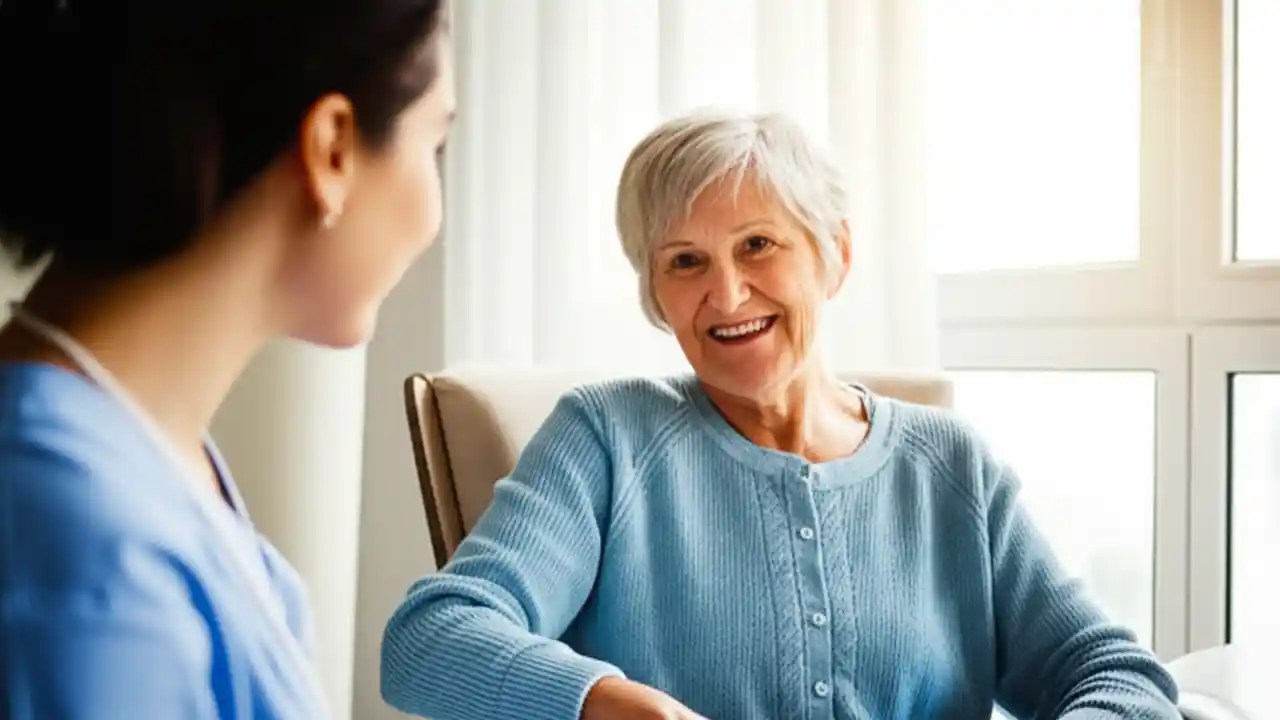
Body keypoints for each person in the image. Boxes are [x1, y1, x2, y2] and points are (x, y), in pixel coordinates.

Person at [380, 111, 1180, 719]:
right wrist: (617, 704)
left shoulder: (950, 466)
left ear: (835, 252)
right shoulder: (607, 438)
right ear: (656, 295)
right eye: (685, 261)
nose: (725, 295)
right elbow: (428, 639)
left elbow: (1117, 676)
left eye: (759, 245)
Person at [0, 1, 453, 717]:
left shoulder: (130, 457)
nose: (434, 210)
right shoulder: (88, 549)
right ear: (332, 147)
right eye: (434, 144)